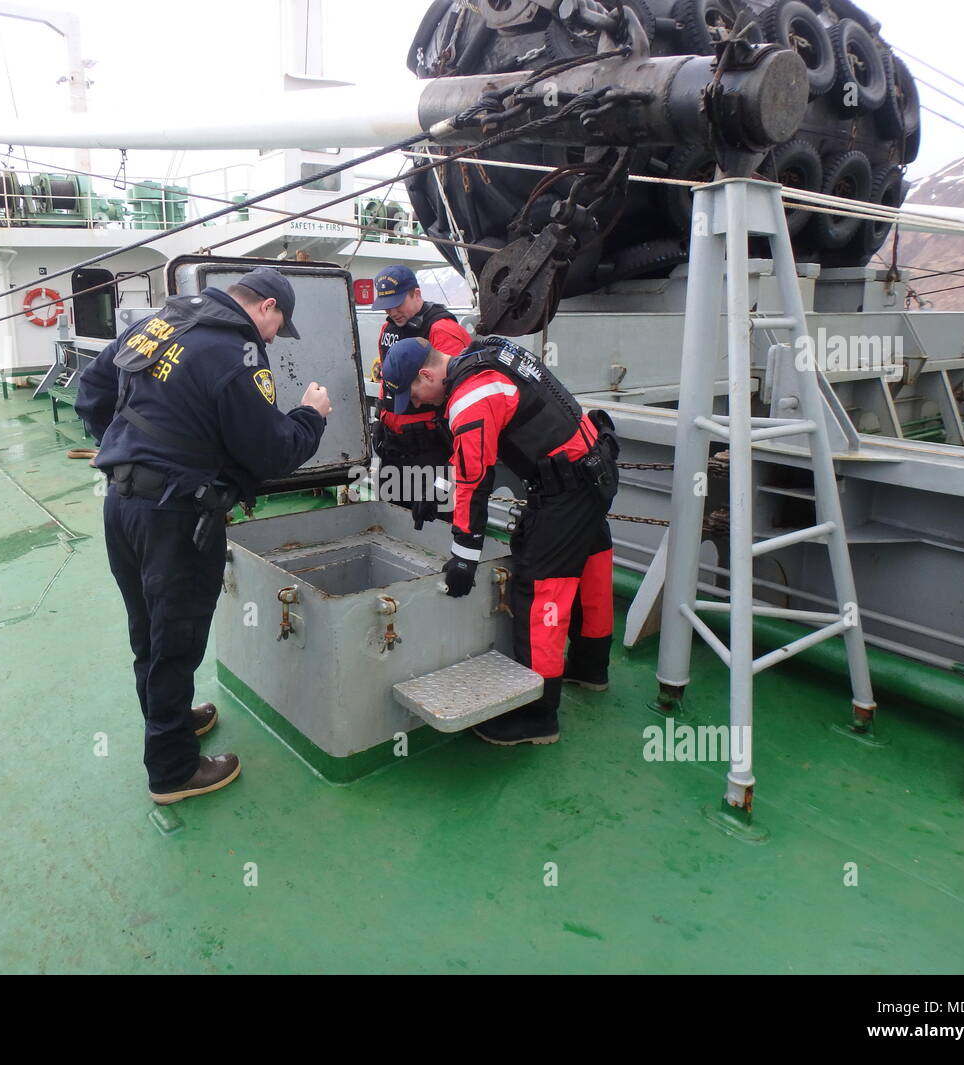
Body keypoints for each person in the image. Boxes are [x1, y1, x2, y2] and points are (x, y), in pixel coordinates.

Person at [76, 267, 332, 803]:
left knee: (148, 628)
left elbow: (94, 391)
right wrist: (311, 415)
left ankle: (168, 720)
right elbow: (272, 453)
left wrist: (132, 453)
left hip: (122, 504)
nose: (271, 339)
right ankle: (172, 771)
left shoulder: (161, 322)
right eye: (277, 327)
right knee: (177, 638)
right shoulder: (233, 353)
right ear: (265, 307)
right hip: (176, 520)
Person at [380, 334, 619, 746]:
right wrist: (431, 495)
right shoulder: (484, 352)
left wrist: (462, 559)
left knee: (540, 589)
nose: (417, 403)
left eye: (414, 394)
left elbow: (474, 479)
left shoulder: (469, 397)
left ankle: (537, 715)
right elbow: (467, 457)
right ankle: (590, 667)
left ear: (426, 373)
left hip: (563, 490)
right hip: (593, 470)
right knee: (593, 564)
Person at [369, 265, 470, 525]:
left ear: (416, 293)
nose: (392, 312)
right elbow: (388, 381)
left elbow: (460, 395)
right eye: (386, 306)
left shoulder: (443, 332)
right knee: (391, 520)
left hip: (429, 449)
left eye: (397, 303)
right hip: (393, 446)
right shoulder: (387, 329)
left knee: (433, 522)